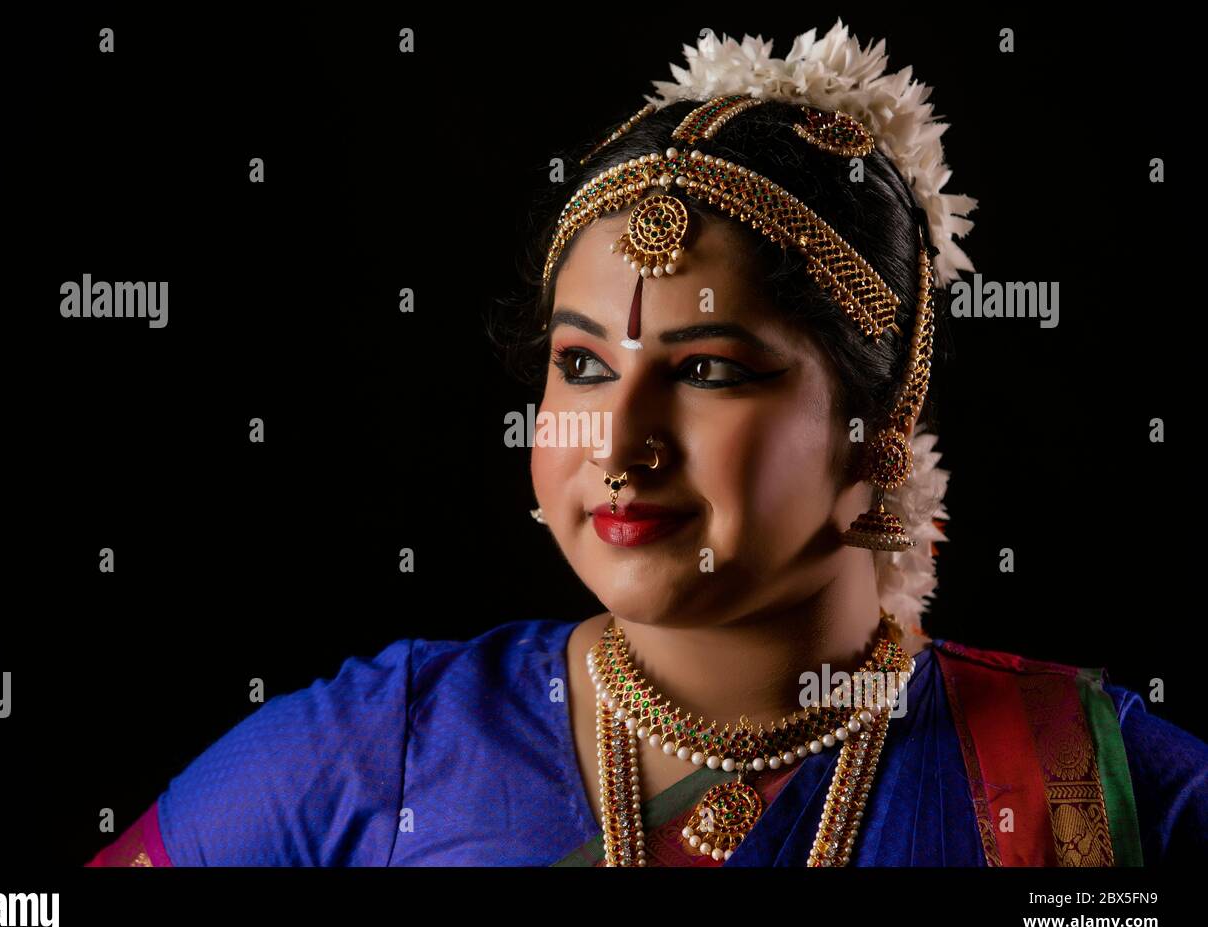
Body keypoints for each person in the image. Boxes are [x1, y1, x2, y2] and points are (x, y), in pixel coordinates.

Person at [87, 22, 1206, 868]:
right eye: (581, 364)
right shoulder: (386, 747)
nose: (618, 441)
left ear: (879, 422)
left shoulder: (1083, 783)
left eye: (709, 370)